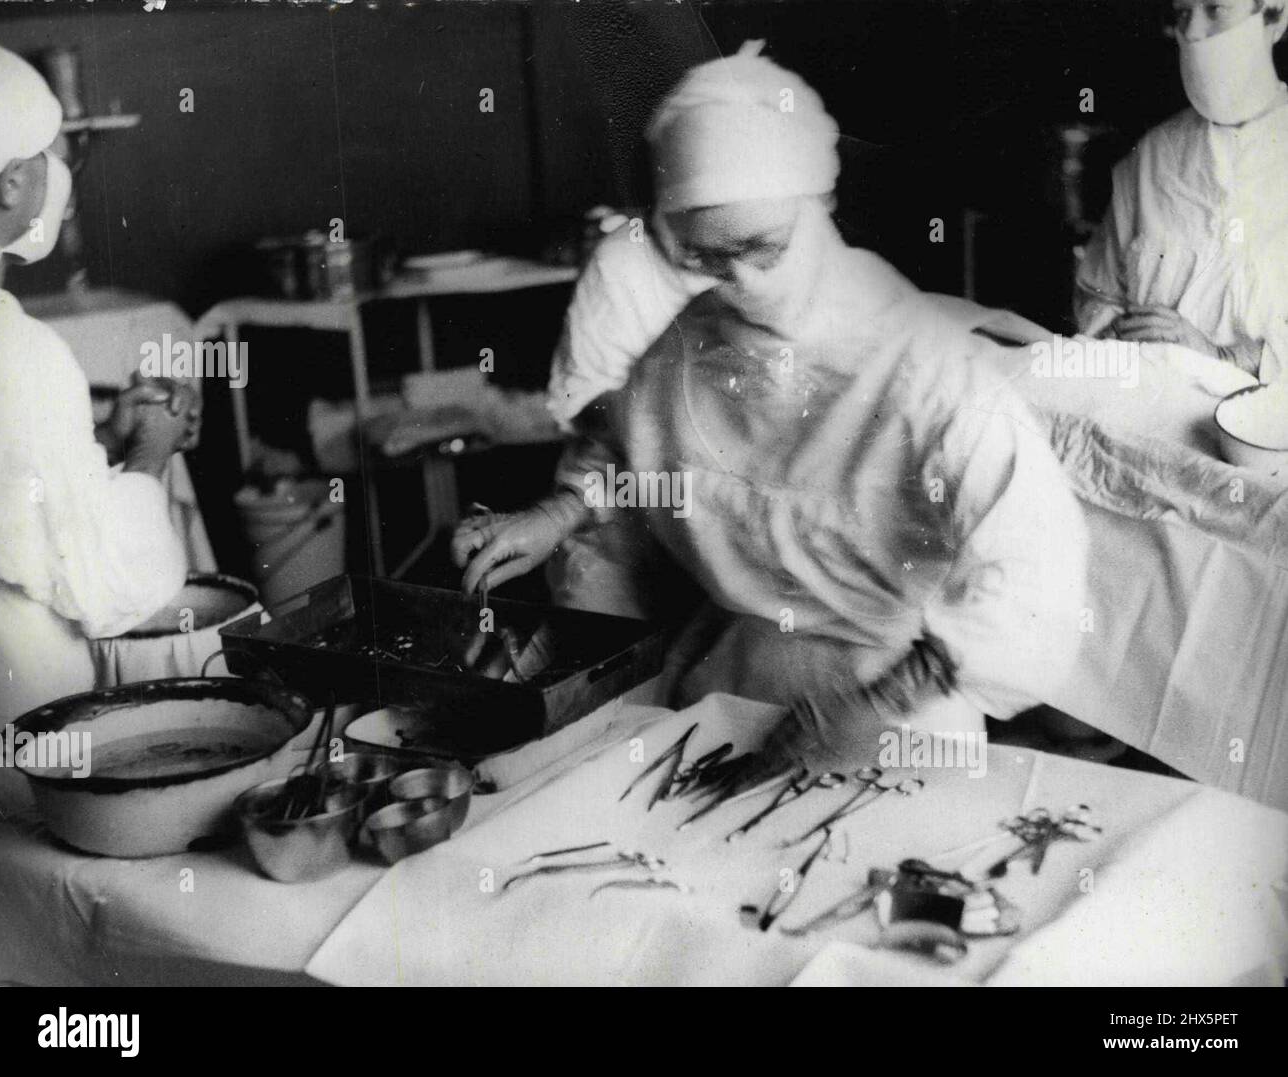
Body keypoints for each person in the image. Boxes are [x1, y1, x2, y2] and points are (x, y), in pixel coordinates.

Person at [455, 47, 1088, 769]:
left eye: (763, 247)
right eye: (705, 258)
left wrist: (883, 703)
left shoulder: (924, 367)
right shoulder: (690, 344)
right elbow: (632, 445)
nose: (742, 281)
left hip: (895, 703)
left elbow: (1037, 565)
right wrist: (561, 511)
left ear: (821, 205)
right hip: (731, 682)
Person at [0, 43, 190, 817]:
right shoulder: (22, 354)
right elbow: (105, 586)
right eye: (55, 154)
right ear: (12, 178)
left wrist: (97, 441)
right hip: (16, 696)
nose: (59, 178)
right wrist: (151, 450)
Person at [1076, 0, 1288, 383]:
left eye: (1216, 9)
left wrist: (1224, 357)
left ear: (1275, 15)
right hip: (1149, 413)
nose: (1191, 31)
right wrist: (1121, 336)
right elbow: (1097, 294)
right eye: (1183, 13)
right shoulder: (1152, 157)